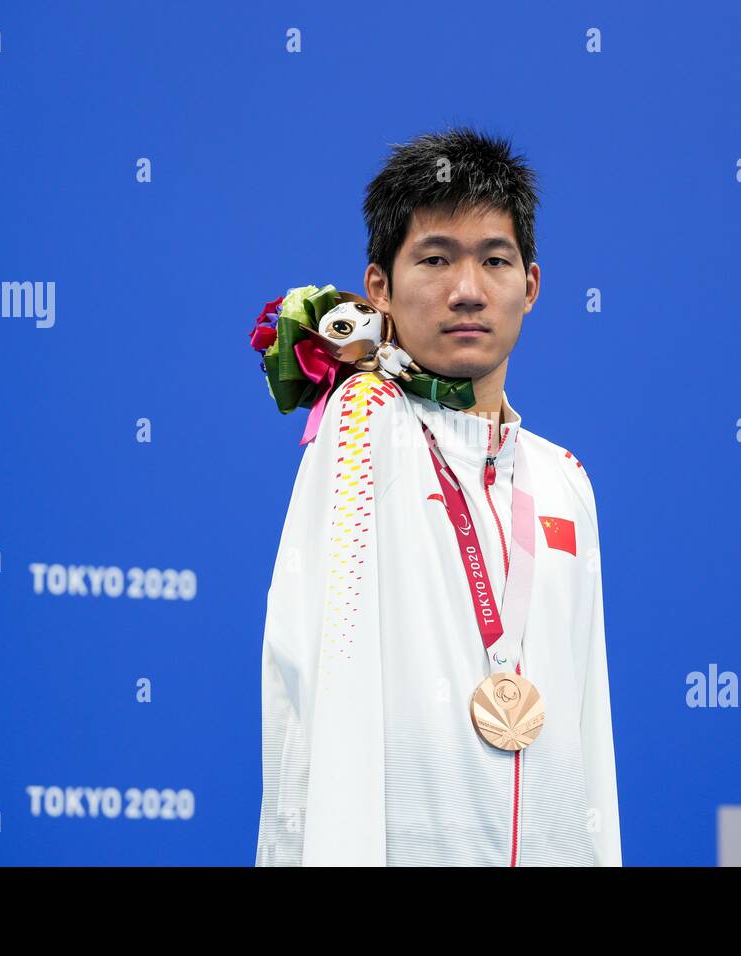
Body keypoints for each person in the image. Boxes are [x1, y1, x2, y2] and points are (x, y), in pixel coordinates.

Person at [255, 127, 621, 866]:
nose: (467, 290)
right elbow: (312, 693)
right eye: (434, 258)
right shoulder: (361, 431)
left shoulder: (565, 480)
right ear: (379, 289)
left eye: (494, 259)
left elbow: (590, 731)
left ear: (532, 284)